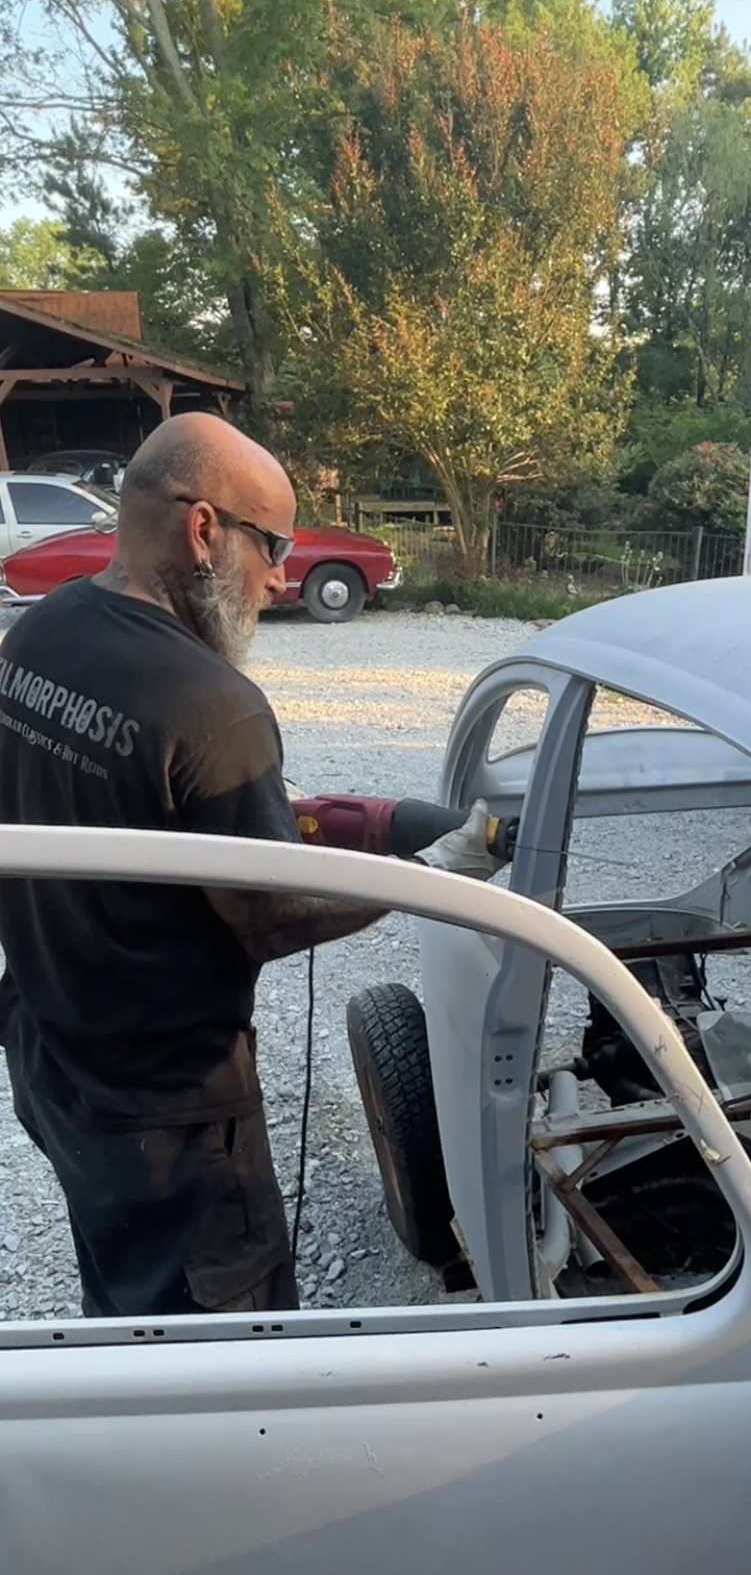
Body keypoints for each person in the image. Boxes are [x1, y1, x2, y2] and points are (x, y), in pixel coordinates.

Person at [0, 412, 498, 1318]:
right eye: (272, 544)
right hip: (169, 1108)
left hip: (52, 1056)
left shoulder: (44, 632)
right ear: (202, 530)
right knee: (221, 1336)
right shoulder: (213, 705)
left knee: (123, 1286)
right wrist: (432, 873)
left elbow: (107, 806)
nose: (278, 575)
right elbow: (269, 916)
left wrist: (282, 811)